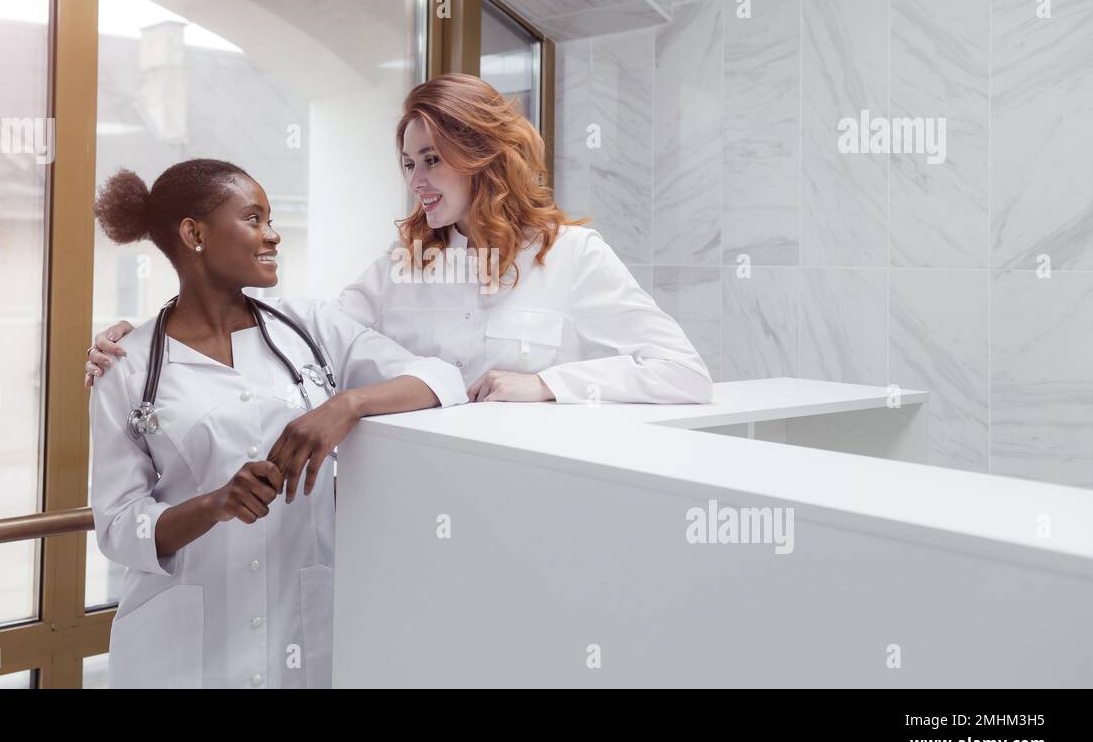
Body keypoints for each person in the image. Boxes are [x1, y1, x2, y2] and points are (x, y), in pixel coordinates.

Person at [88, 74, 712, 406]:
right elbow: (304, 334)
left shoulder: (571, 255)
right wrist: (152, 339)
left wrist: (550, 386)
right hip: (417, 504)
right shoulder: (404, 264)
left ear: (482, 157)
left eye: (432, 160)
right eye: (409, 163)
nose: (416, 180)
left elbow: (683, 374)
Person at [88, 158, 465, 689]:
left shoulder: (309, 326)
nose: (274, 234)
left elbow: (439, 378)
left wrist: (344, 406)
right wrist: (215, 505)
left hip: (304, 630)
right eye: (254, 218)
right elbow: (119, 528)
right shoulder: (124, 365)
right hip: (181, 654)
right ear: (194, 233)